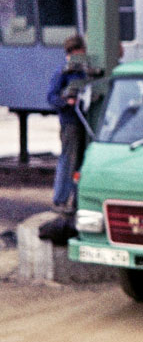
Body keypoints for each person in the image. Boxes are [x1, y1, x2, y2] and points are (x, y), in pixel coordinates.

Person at [47, 34, 89, 214]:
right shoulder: (63, 72)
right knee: (68, 160)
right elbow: (51, 97)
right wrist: (66, 103)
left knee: (79, 162)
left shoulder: (84, 71)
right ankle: (60, 199)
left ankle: (75, 200)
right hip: (70, 122)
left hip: (83, 121)